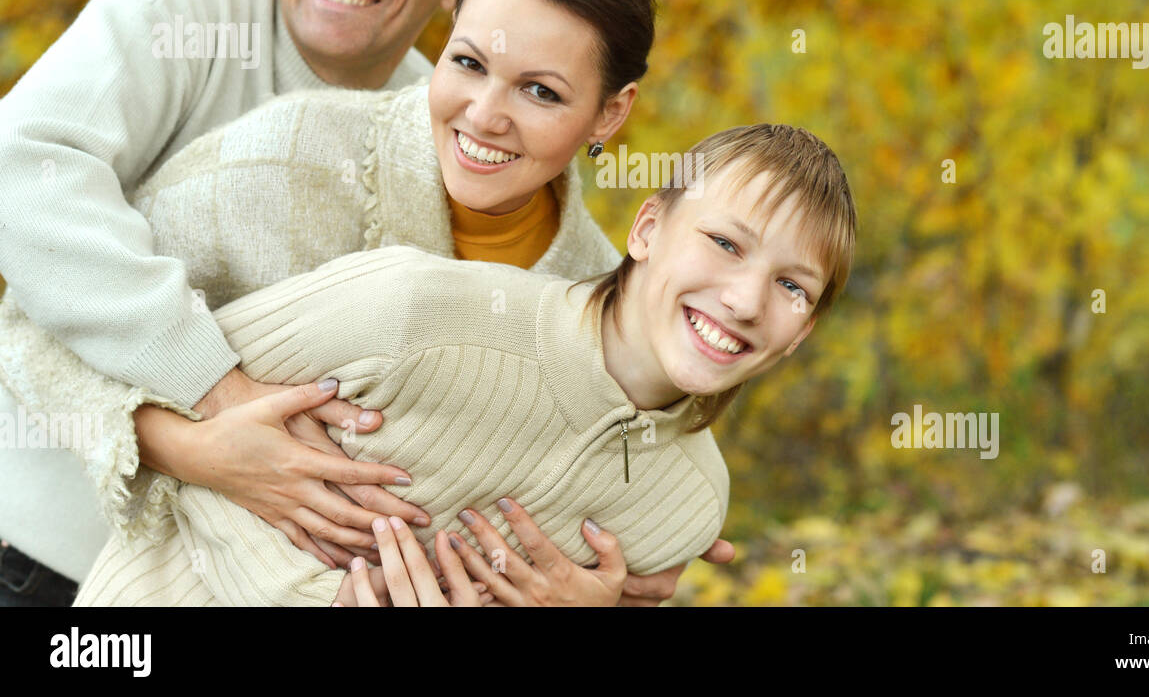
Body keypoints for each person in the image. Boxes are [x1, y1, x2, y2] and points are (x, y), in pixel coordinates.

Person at [0, 0, 730, 606]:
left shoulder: (595, 297)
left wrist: (606, 580)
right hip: (70, 575)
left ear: (611, 112)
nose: (484, 114)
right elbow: (30, 328)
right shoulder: (284, 161)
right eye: (468, 62)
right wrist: (190, 446)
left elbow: (585, 495)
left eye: (540, 91)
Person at [71, 124, 857, 606]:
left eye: (793, 285)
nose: (748, 298)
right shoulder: (412, 308)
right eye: (724, 243)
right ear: (648, 228)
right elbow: (151, 395)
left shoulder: (688, 504)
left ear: (802, 331)